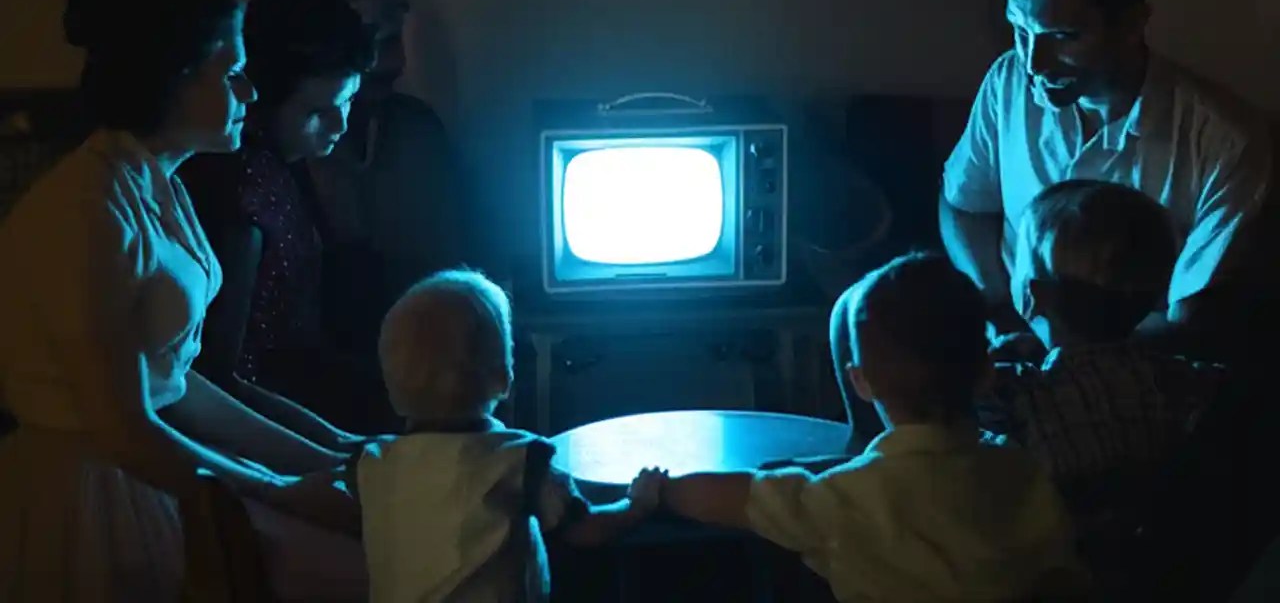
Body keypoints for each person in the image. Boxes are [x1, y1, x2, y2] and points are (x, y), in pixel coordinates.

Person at [0, 0, 361, 601]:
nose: (250, 93)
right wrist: (286, 490)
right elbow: (125, 426)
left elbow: (174, 381)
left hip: (151, 470)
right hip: (97, 496)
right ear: (171, 78)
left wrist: (329, 456)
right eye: (233, 73)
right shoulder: (86, 209)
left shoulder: (153, 182)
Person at [940, 0, 1271, 361]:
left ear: (1134, 23)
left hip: (1142, 387)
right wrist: (998, 315)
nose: (1035, 63)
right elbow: (963, 206)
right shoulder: (1008, 80)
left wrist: (1063, 364)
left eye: (1064, 37)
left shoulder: (1228, 143)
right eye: (1020, 29)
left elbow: (1196, 320)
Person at [660, 252, 1088, 602]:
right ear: (985, 371)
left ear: (859, 381)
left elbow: (736, 496)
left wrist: (659, 489)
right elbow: (1062, 578)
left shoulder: (844, 496)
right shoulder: (1020, 472)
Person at [347, 269, 663, 600]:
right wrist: (636, 505)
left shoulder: (370, 464)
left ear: (391, 388)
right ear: (504, 377)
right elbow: (585, 531)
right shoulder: (519, 459)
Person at [181, 0, 390, 436]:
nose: (340, 125)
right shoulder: (245, 190)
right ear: (261, 99)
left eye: (349, 101)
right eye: (318, 111)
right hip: (259, 428)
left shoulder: (283, 167)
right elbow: (220, 372)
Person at [982, 180, 1224, 510]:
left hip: (1058, 548)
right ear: (1153, 298)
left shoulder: (1020, 392)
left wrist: (989, 361)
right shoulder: (1182, 379)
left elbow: (947, 409)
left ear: (1032, 296)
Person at [296, 0, 474, 371]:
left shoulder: (418, 133)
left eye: (396, 36)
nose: (393, 60)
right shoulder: (276, 152)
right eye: (371, 39)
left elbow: (454, 268)